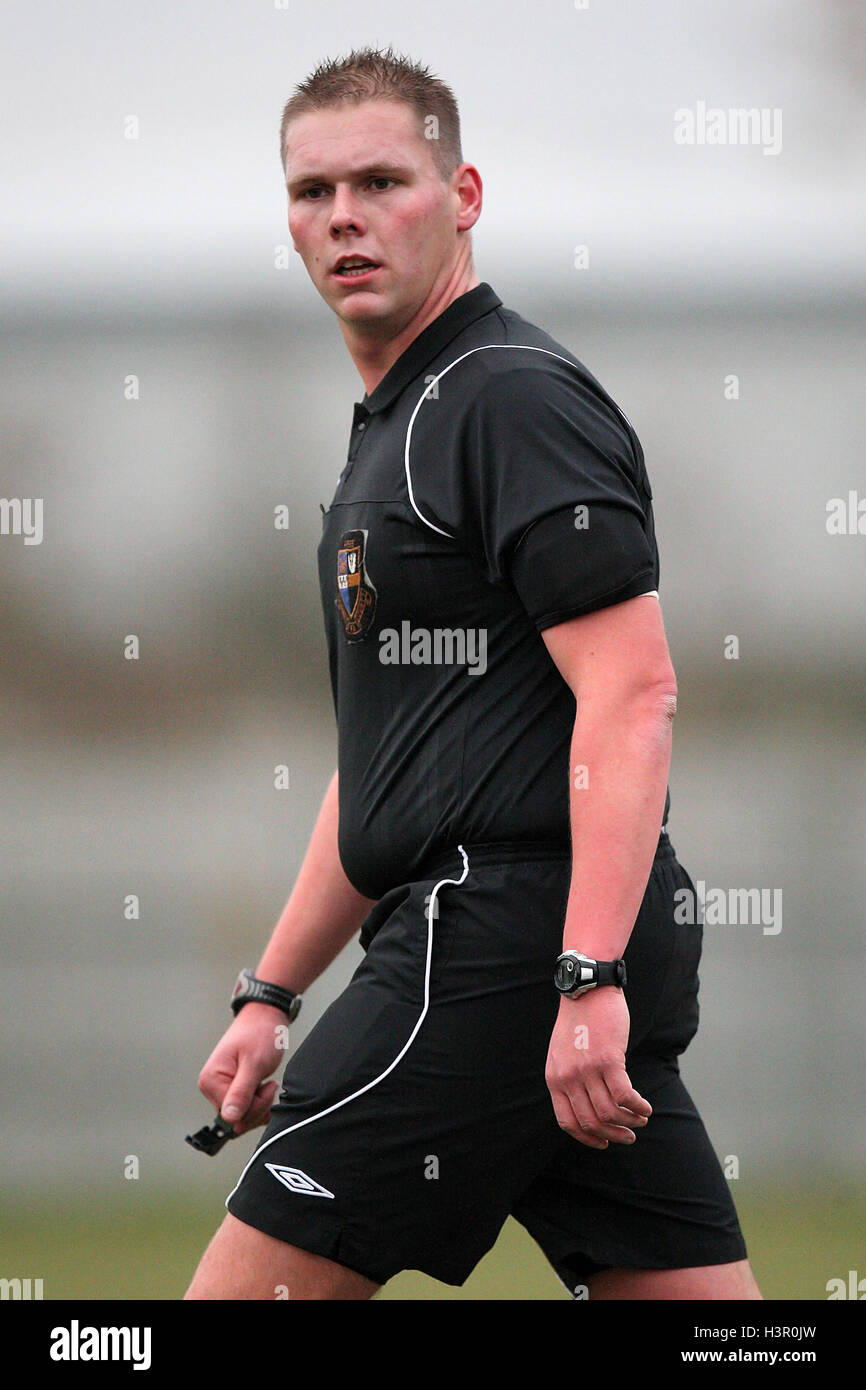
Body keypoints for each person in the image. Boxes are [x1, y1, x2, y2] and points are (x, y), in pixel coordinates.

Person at [185, 46, 761, 1301]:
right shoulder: (398, 425)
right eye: (310, 191)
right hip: (537, 955)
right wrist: (270, 990)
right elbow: (387, 768)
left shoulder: (503, 396)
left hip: (507, 947)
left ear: (463, 195)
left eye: (382, 180)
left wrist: (584, 972)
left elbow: (636, 691)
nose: (342, 217)